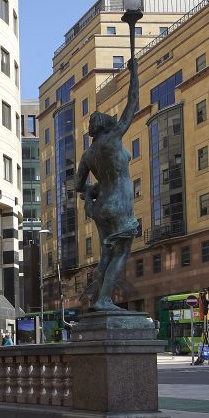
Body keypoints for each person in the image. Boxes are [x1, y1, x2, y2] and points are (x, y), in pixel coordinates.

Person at [74, 57, 139, 310]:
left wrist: (92, 193)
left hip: (101, 206)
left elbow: (78, 186)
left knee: (106, 255)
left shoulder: (88, 155)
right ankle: (103, 299)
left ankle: (99, 300)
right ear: (105, 125)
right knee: (121, 252)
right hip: (120, 204)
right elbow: (132, 101)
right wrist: (134, 73)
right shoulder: (113, 138)